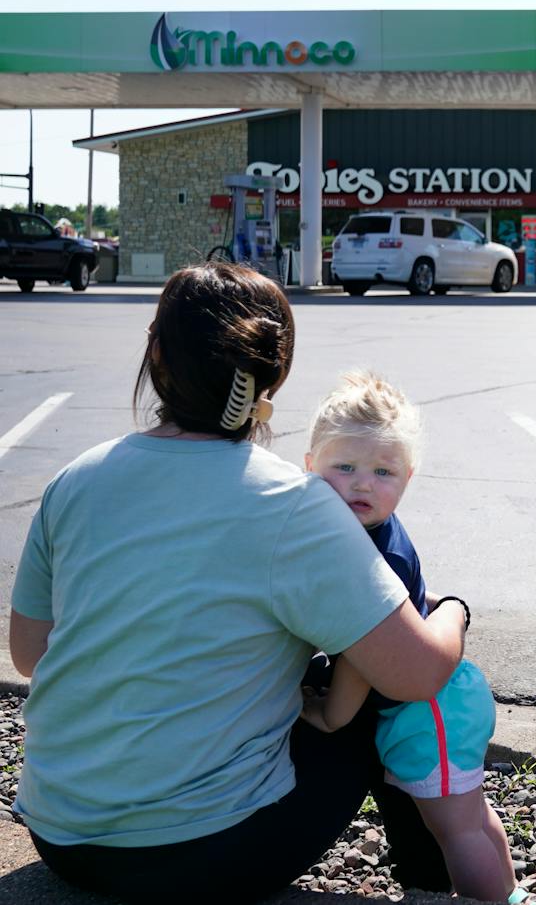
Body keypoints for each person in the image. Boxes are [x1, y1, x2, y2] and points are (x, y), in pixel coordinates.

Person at [8, 263, 468, 903]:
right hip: (202, 856)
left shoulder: (75, 479)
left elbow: (31, 656)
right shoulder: (294, 505)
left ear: (157, 353)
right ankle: (431, 880)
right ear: (272, 376)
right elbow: (416, 674)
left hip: (60, 837)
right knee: (378, 696)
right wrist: (453, 611)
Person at [299, 371, 521, 904]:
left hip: (429, 708)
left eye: (383, 472)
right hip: (441, 702)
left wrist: (332, 715)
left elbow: (362, 655)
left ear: (408, 477)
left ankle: (489, 899)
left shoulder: (373, 554)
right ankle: (508, 893)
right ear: (309, 466)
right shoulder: (361, 531)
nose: (363, 484)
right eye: (344, 467)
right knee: (469, 813)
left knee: (458, 828)